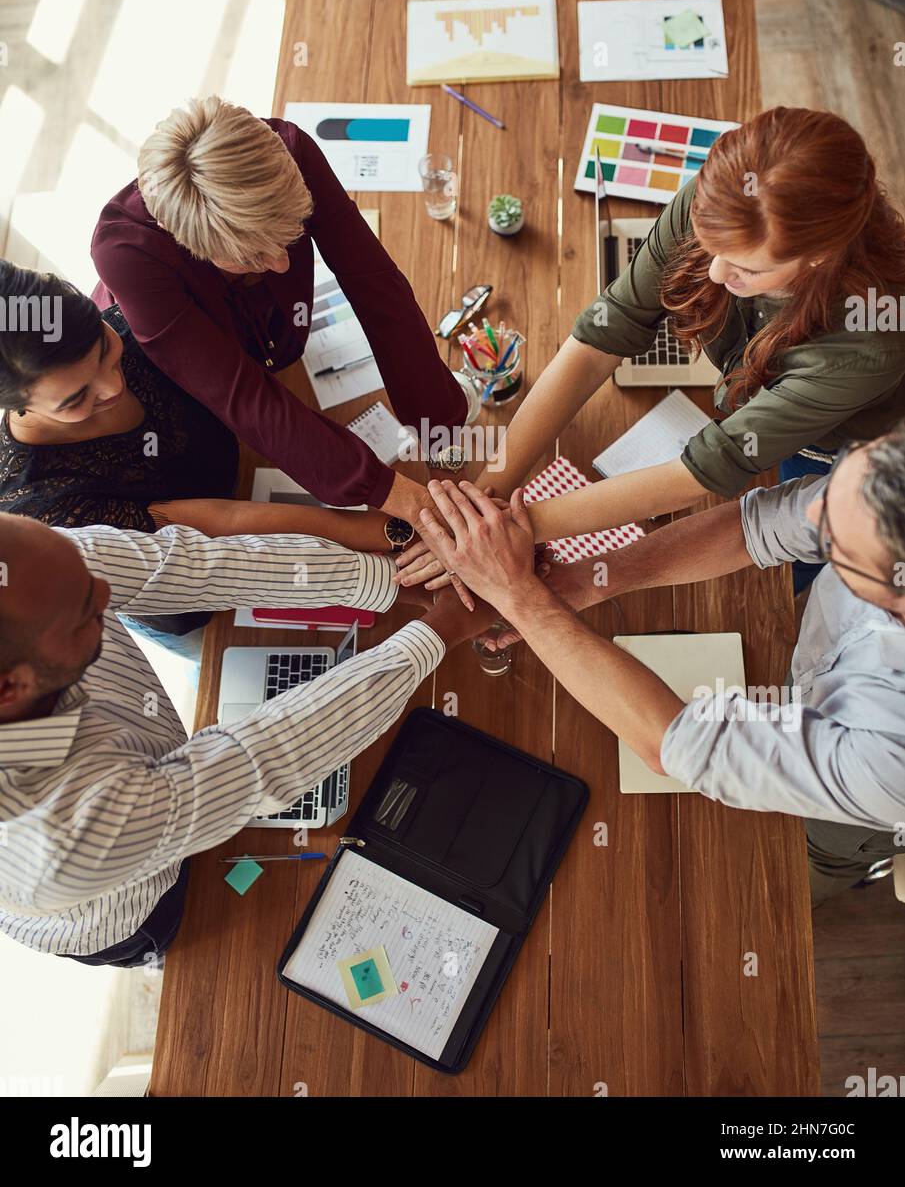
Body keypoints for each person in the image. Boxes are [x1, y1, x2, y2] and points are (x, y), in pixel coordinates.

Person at [394, 107, 905, 592]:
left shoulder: (867, 341)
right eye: (710, 245)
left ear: (818, 257)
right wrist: (492, 489)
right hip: (759, 399)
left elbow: (701, 471)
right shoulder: (730, 203)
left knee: (802, 567)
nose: (717, 275)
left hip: (839, 450)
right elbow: (606, 332)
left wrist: (495, 529)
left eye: (748, 269)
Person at [413, 422, 905, 906]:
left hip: (852, 815)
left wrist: (517, 594)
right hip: (813, 685)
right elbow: (750, 528)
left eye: (836, 544)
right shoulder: (871, 498)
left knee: (781, 875)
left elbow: (672, 741)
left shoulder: (891, 752)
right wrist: (591, 580)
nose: (816, 513)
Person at [0, 512, 489, 965]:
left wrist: (396, 583)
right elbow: (264, 757)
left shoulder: (31, 571)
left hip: (143, 788)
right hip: (122, 910)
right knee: (212, 940)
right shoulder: (54, 839)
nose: (108, 598)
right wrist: (444, 627)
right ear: (11, 689)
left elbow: (194, 567)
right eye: (84, 610)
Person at [0, 260, 429, 646]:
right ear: (17, 405)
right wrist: (409, 530)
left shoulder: (142, 320)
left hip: (248, 483)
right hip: (195, 593)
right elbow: (224, 525)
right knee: (233, 654)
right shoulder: (47, 508)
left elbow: (247, 398)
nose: (112, 387)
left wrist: (407, 521)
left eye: (104, 350)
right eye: (76, 399)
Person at [90, 96, 469, 530]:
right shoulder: (127, 255)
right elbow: (244, 396)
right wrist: (400, 496)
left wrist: (441, 434)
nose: (284, 265)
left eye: (290, 237)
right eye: (251, 256)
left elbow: (377, 287)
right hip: (187, 389)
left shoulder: (286, 150)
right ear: (191, 244)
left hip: (277, 347)